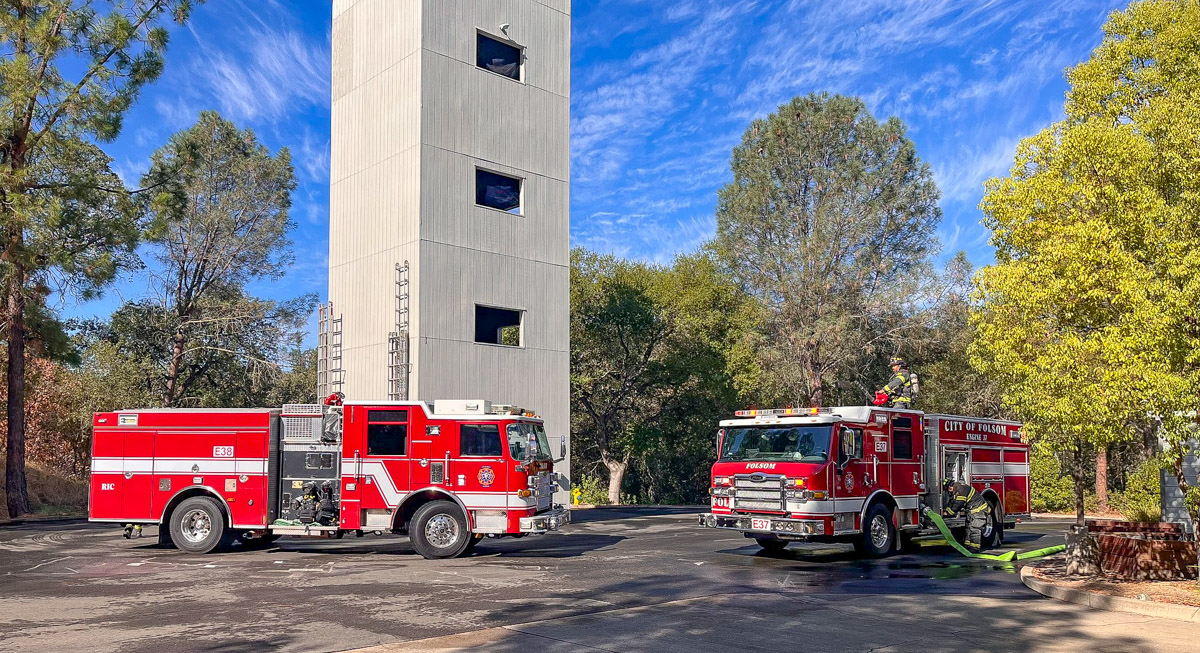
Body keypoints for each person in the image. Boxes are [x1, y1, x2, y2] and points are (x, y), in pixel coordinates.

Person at [942, 478, 991, 551]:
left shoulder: (961, 490)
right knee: (968, 528)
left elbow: (958, 504)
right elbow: (952, 502)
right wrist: (946, 510)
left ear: (949, 487)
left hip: (979, 510)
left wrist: (949, 513)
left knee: (975, 529)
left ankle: (975, 547)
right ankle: (968, 545)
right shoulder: (958, 488)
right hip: (972, 511)